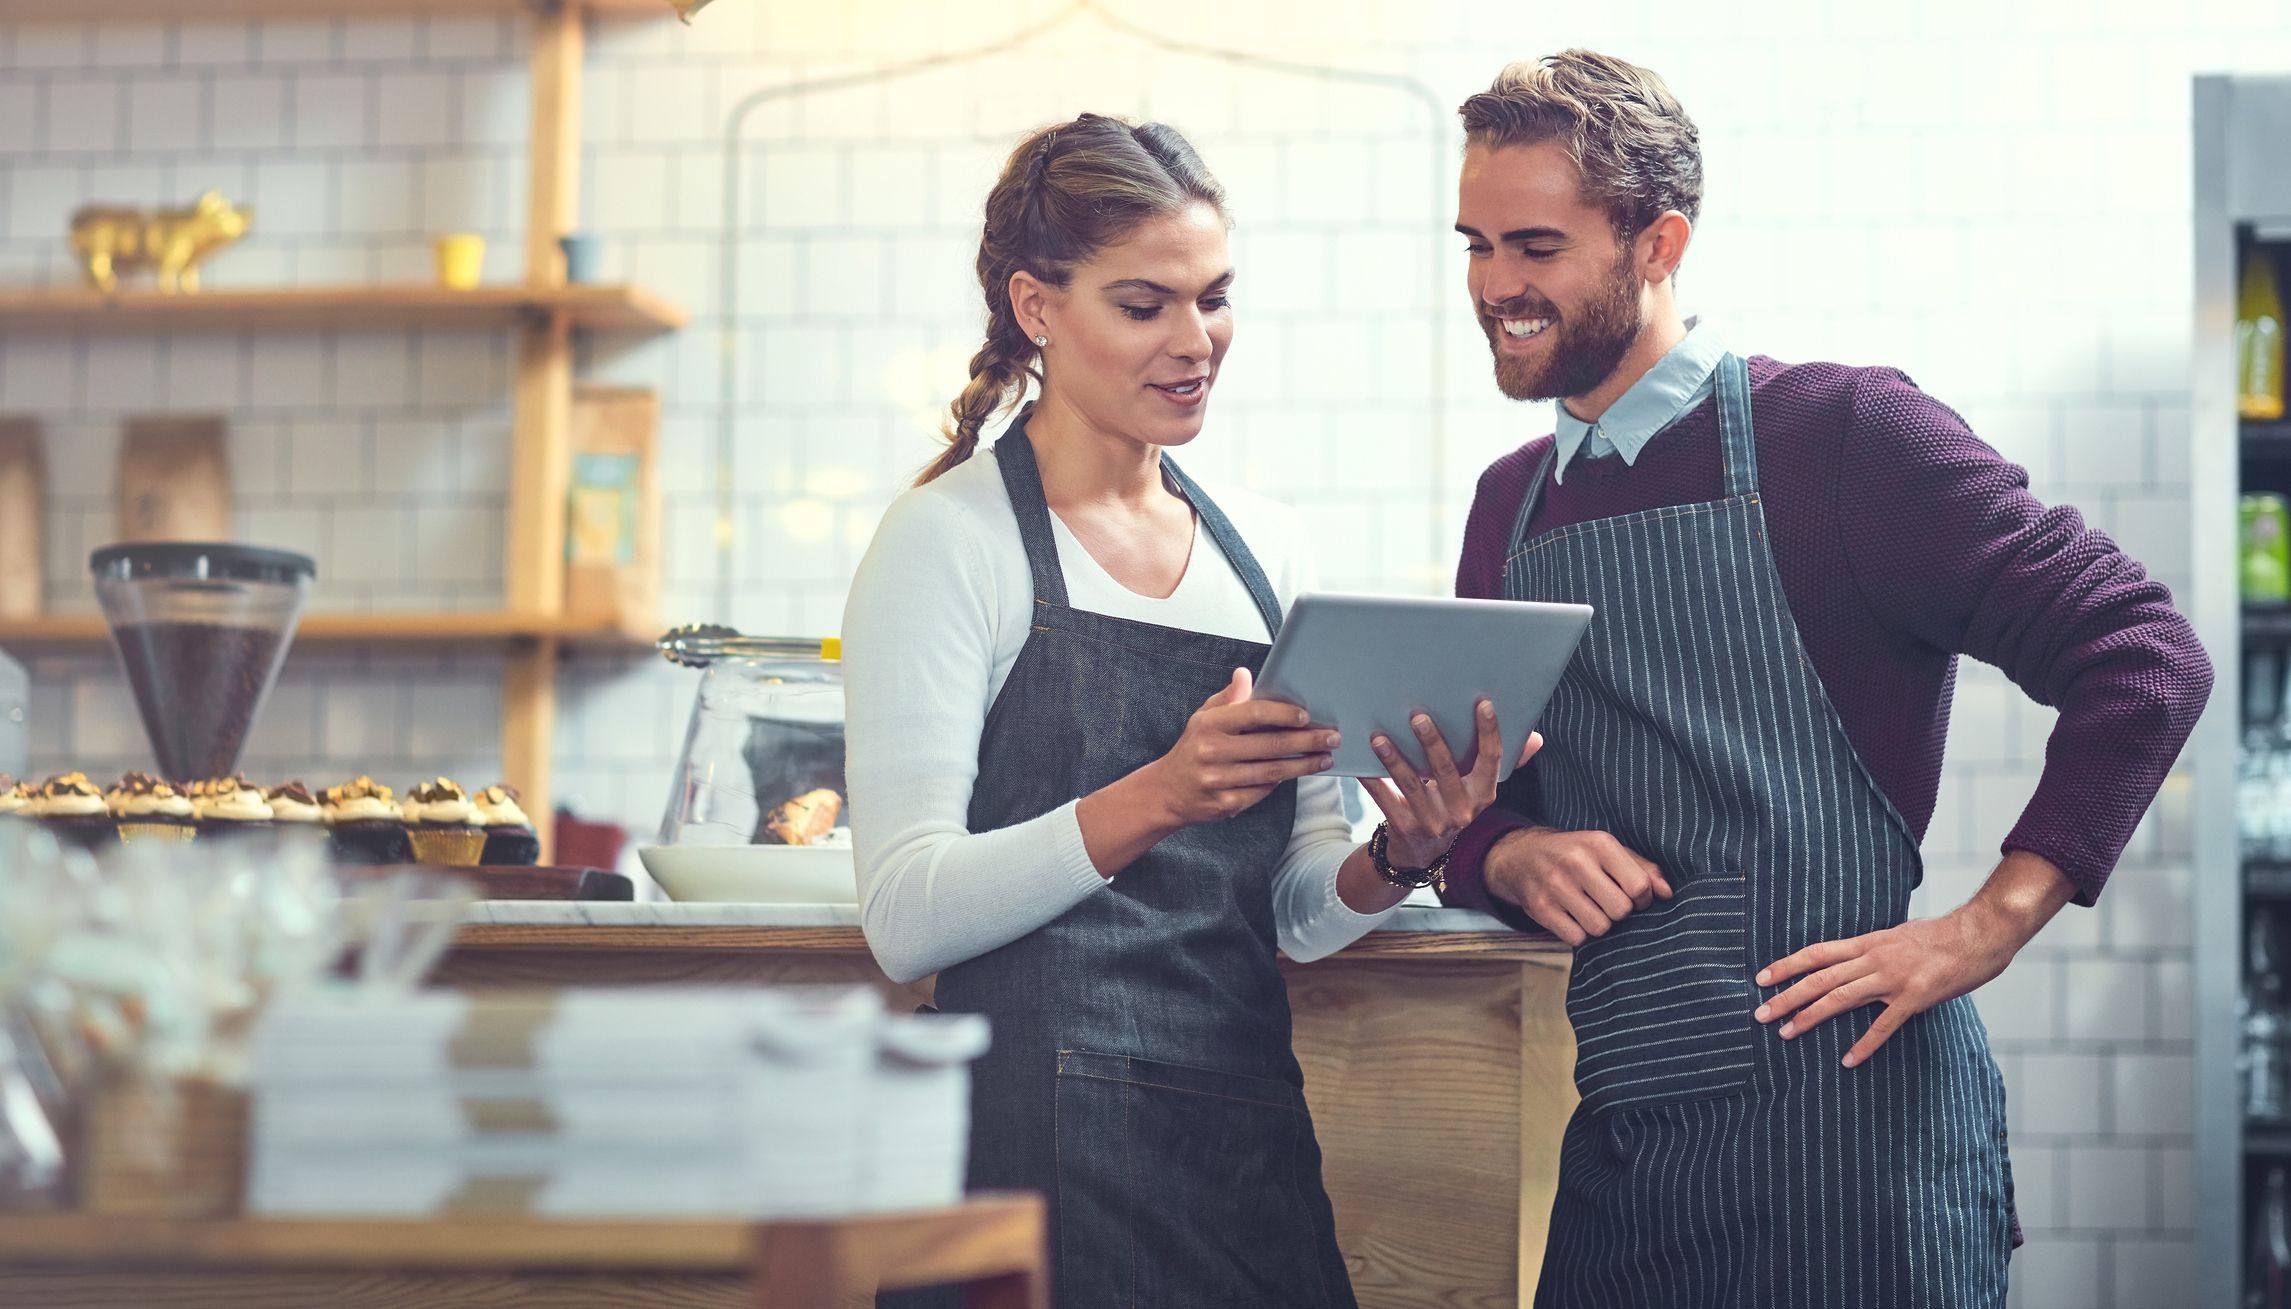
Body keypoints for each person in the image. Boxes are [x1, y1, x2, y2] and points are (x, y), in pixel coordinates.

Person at [1432, 50, 2213, 1307]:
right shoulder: (1504, 510)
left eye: (1534, 247)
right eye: (1472, 244)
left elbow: (2142, 655)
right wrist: (1507, 857)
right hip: (1627, 1150)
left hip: (1853, 1151)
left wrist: (1983, 927)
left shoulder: (1843, 440)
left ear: (1656, 242)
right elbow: (1473, 803)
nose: (1492, 287)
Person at [843, 112, 1529, 1308]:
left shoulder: (1264, 545)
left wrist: (1403, 850)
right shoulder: (948, 541)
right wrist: (1163, 792)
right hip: (1027, 1140)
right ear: (1036, 306)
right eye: (1143, 304)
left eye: (1214, 298)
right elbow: (905, 915)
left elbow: (1296, 915)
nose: (1195, 341)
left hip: (1241, 1123)